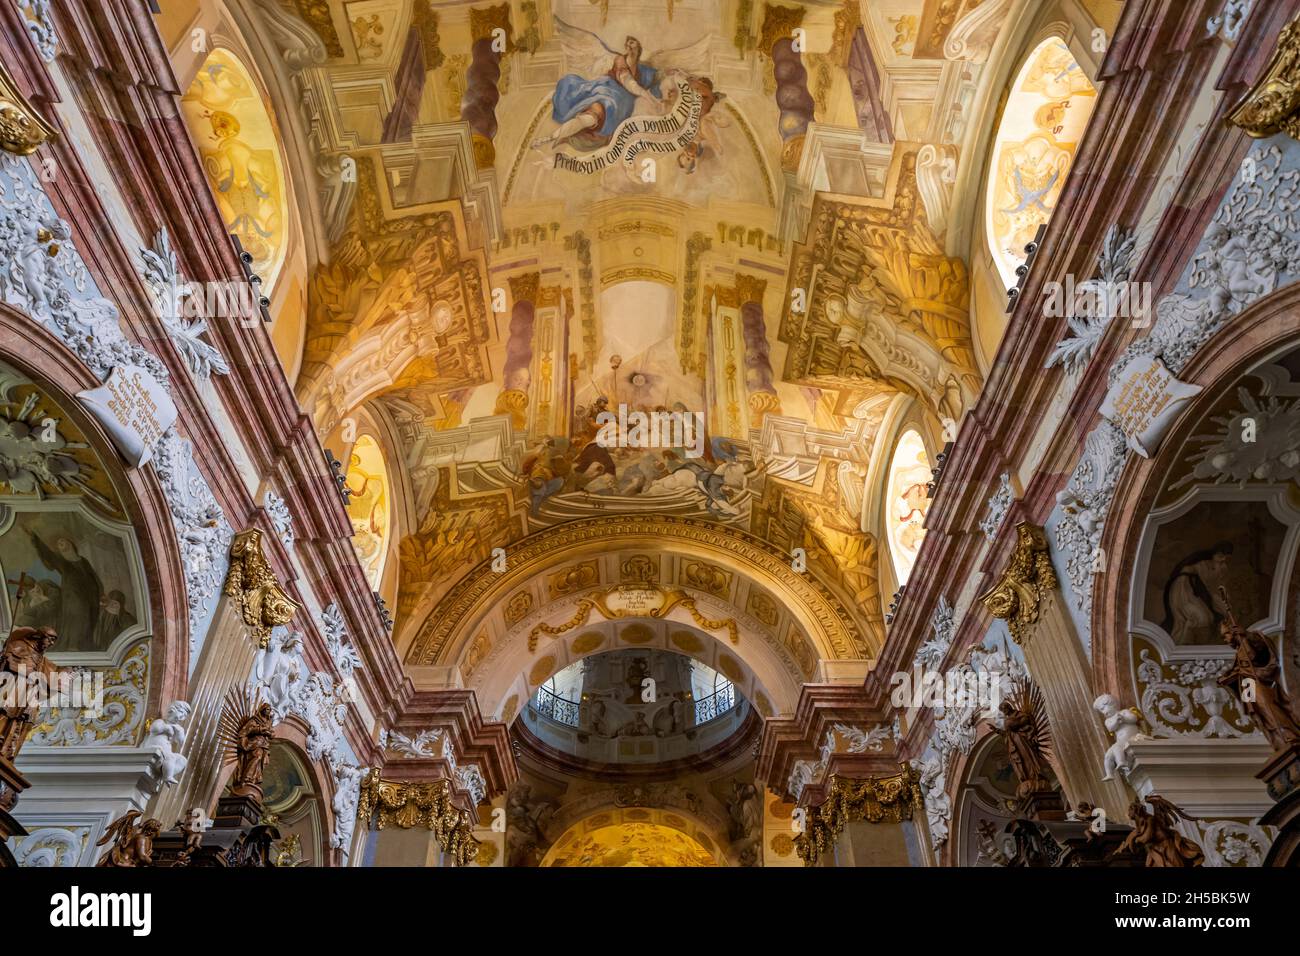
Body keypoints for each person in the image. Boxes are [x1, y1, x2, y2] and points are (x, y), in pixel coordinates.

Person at [26, 529, 101, 651]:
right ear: (59, 550)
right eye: (59, 544)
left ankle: (82, 644)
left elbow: (93, 577)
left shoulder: (83, 561)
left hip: (89, 595)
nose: (61, 544)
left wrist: (99, 593)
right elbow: (48, 554)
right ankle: (73, 645)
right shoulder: (63, 562)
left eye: (63, 541)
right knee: (77, 615)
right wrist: (36, 540)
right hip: (72, 596)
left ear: (71, 543)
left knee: (87, 618)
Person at [1161, 542, 1233, 643]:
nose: (1222, 559)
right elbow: (1206, 581)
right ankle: (1186, 644)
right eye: (1220, 556)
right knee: (1201, 617)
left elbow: (1211, 585)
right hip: (1184, 590)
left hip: (1196, 590)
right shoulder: (1202, 564)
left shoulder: (1217, 566)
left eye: (1225, 557)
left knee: (1214, 614)